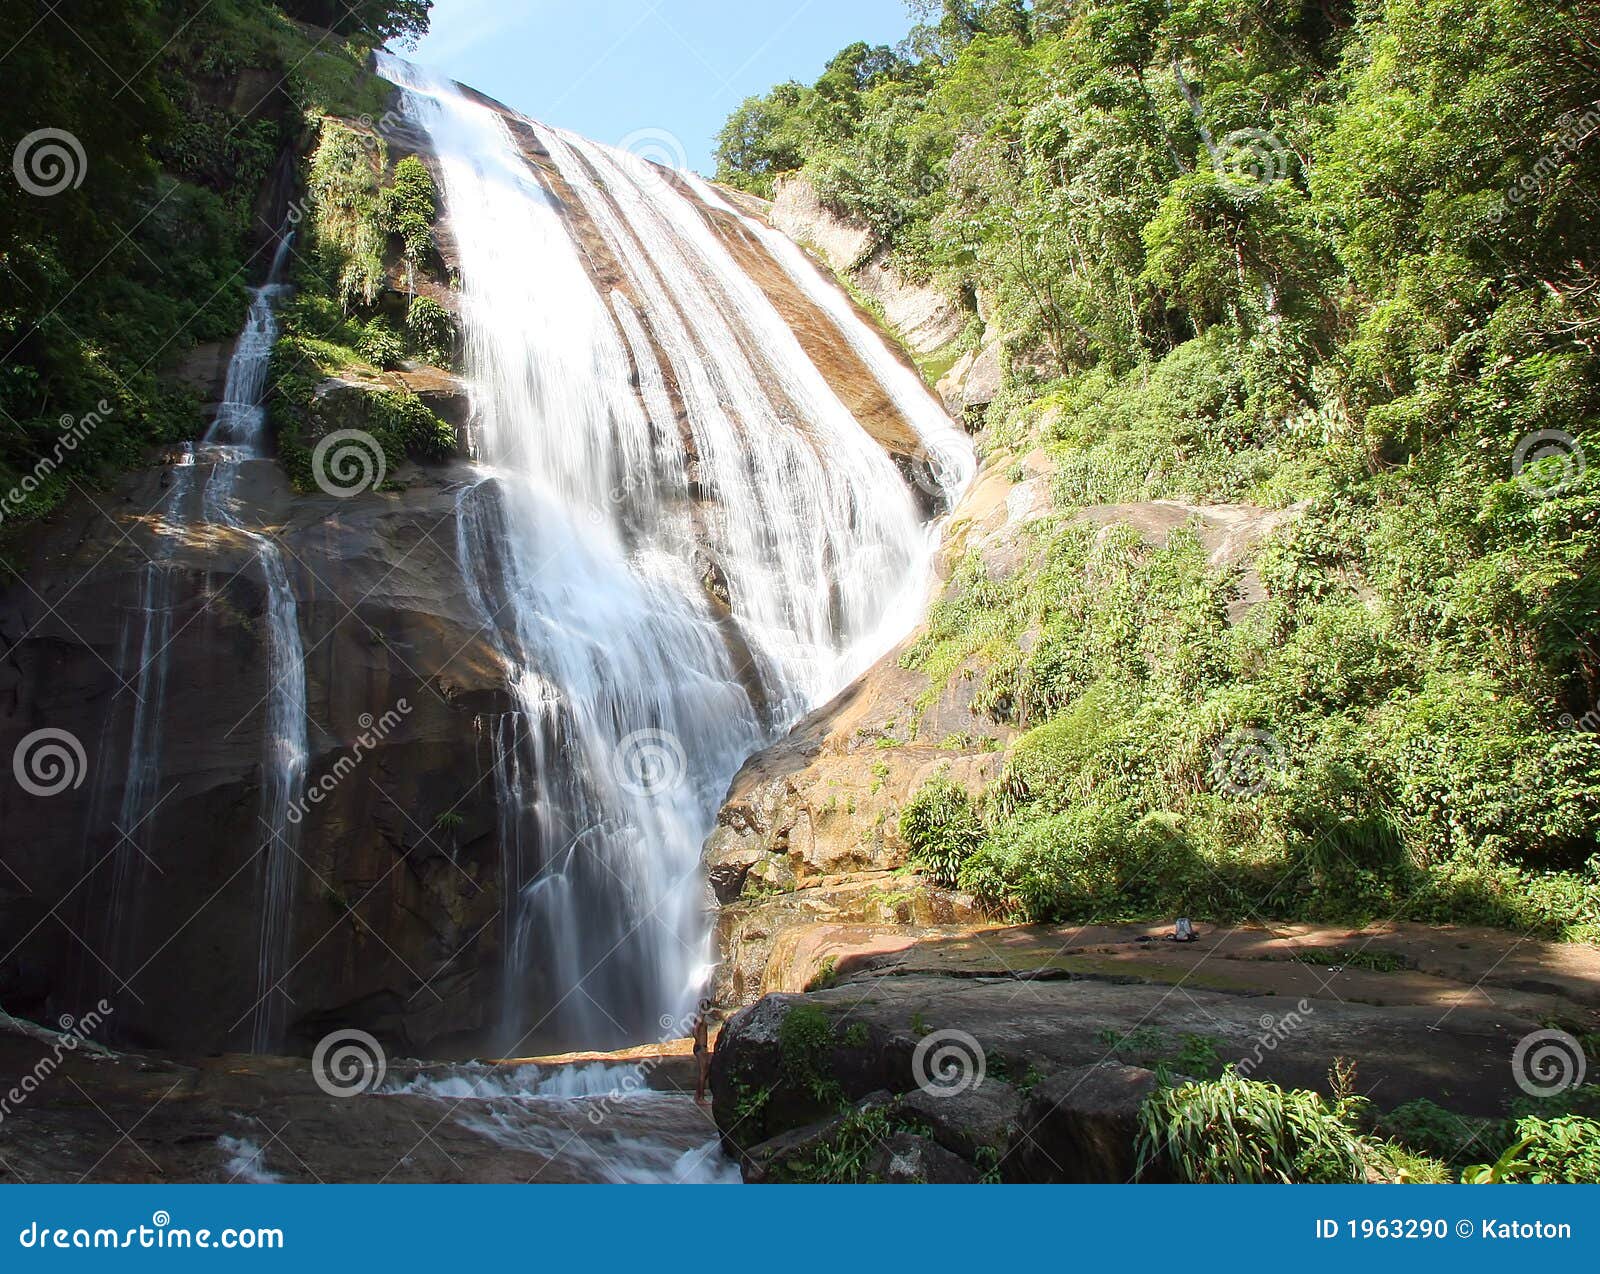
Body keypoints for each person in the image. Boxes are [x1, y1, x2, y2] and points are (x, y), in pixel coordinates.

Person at [692, 1003, 712, 1105]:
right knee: (704, 1072)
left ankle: (697, 1095)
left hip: (701, 1047)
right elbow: (694, 1030)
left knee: (703, 1072)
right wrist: (699, 1043)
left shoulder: (700, 1017)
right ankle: (701, 1098)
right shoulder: (700, 1018)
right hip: (700, 1047)